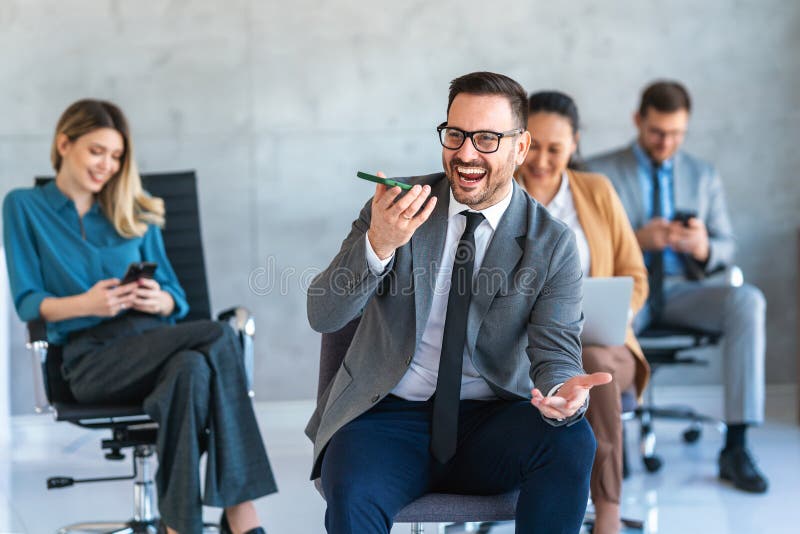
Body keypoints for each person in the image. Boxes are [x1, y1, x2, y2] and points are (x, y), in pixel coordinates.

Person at [306, 72, 612, 534]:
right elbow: (324, 314)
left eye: (487, 138)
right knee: (353, 490)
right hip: (386, 417)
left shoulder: (551, 243)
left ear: (521, 147)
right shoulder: (396, 209)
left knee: (572, 441)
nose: (466, 153)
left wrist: (562, 389)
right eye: (455, 134)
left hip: (491, 422)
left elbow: (556, 350)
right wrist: (379, 244)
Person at [2, 99, 277, 533]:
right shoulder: (23, 207)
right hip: (91, 358)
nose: (107, 165)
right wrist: (88, 304)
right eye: (97, 151)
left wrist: (157, 299)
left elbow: (175, 297)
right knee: (220, 335)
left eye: (116, 156)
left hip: (155, 341)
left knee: (191, 370)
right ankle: (242, 511)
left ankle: (178, 526)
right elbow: (27, 301)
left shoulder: (135, 210)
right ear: (64, 144)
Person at [585, 80, 768, 493]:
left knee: (747, 301)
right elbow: (584, 242)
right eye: (657, 132)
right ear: (638, 120)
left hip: (683, 289)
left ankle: (737, 446)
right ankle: (610, 442)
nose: (666, 142)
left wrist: (704, 247)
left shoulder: (702, 175)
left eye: (676, 134)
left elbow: (727, 245)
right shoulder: (599, 172)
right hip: (630, 288)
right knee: (602, 318)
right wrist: (637, 240)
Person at [516, 91, 650, 534]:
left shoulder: (596, 192)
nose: (541, 160)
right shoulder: (501, 196)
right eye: (534, 146)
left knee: (593, 366)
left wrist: (617, 314)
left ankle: (607, 510)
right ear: (519, 140)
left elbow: (635, 274)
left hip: (605, 347)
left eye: (555, 149)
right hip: (525, 352)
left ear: (574, 144)